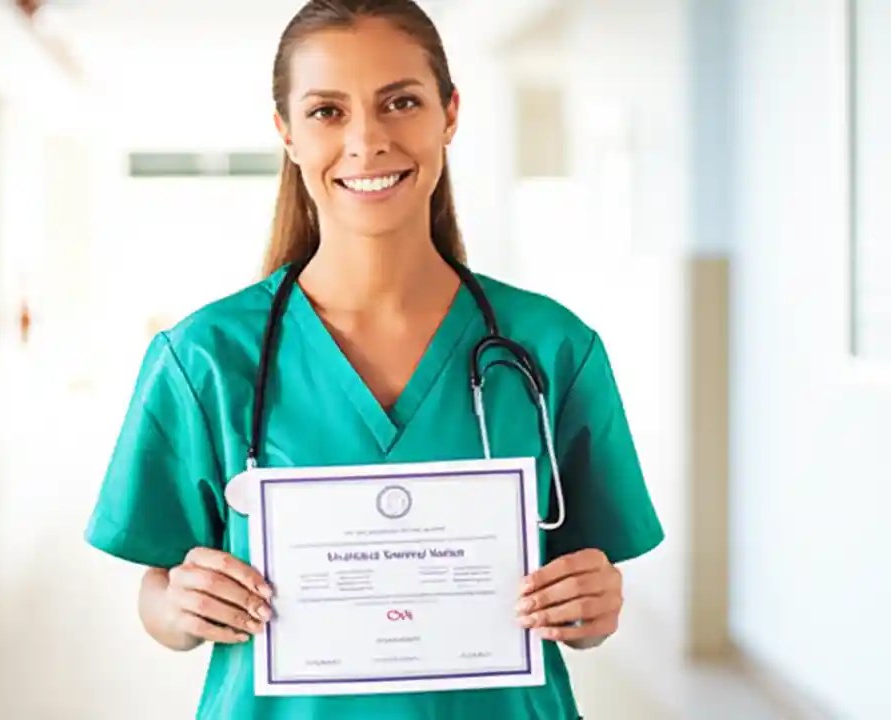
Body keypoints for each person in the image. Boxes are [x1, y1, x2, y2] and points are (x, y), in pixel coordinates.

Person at [83, 1, 664, 717]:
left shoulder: (552, 349)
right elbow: (157, 591)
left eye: (402, 102)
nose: (367, 140)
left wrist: (595, 606)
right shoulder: (203, 359)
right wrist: (179, 608)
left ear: (449, 114)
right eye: (328, 111)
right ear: (286, 135)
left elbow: (591, 589)